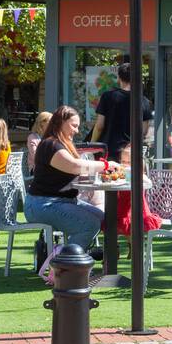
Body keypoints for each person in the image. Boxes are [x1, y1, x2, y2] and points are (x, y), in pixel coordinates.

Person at [25, 105, 121, 250]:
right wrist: (105, 165)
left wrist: (98, 173)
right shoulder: (51, 145)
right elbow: (74, 166)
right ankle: (63, 265)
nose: (76, 131)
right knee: (90, 225)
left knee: (104, 218)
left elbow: (73, 172)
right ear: (60, 123)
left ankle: (80, 258)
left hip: (61, 201)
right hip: (43, 204)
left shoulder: (61, 144)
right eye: (74, 126)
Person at [89, 62, 153, 160]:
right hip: (130, 152)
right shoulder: (144, 101)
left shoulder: (108, 96)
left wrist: (92, 145)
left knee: (109, 175)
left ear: (119, 78)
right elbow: (143, 131)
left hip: (108, 150)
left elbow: (99, 126)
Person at [115, 143, 162, 239]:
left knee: (132, 227)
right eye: (123, 161)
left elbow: (148, 182)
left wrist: (137, 175)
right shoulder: (120, 172)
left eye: (129, 162)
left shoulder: (139, 174)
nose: (126, 165)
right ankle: (114, 248)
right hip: (122, 206)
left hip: (136, 207)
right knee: (116, 223)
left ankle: (133, 248)